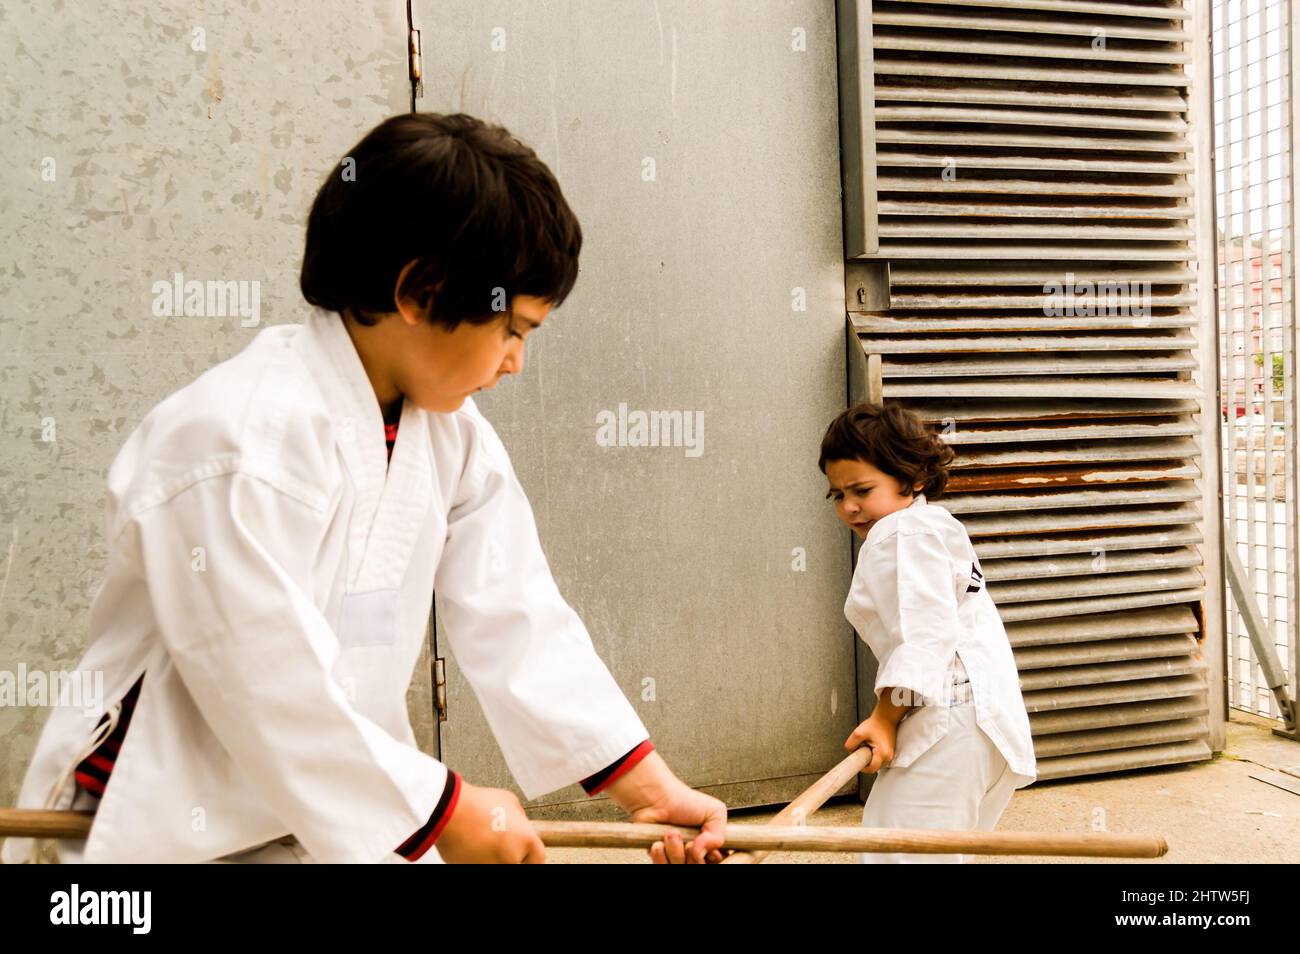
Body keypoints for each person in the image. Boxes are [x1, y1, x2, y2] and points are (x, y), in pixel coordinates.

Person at [3, 113, 726, 864]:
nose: (516, 362)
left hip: (331, 815)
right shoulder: (234, 440)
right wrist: (445, 811)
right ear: (422, 289)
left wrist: (645, 785)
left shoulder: (452, 435)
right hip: (158, 823)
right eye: (514, 330)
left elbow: (518, 612)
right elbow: (264, 679)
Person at [819, 402, 1036, 864]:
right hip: (987, 730)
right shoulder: (933, 527)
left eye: (861, 489)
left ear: (913, 479)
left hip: (950, 724)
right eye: (836, 495)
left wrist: (884, 717)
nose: (850, 506)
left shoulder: (900, 534)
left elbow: (924, 638)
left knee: (893, 851)